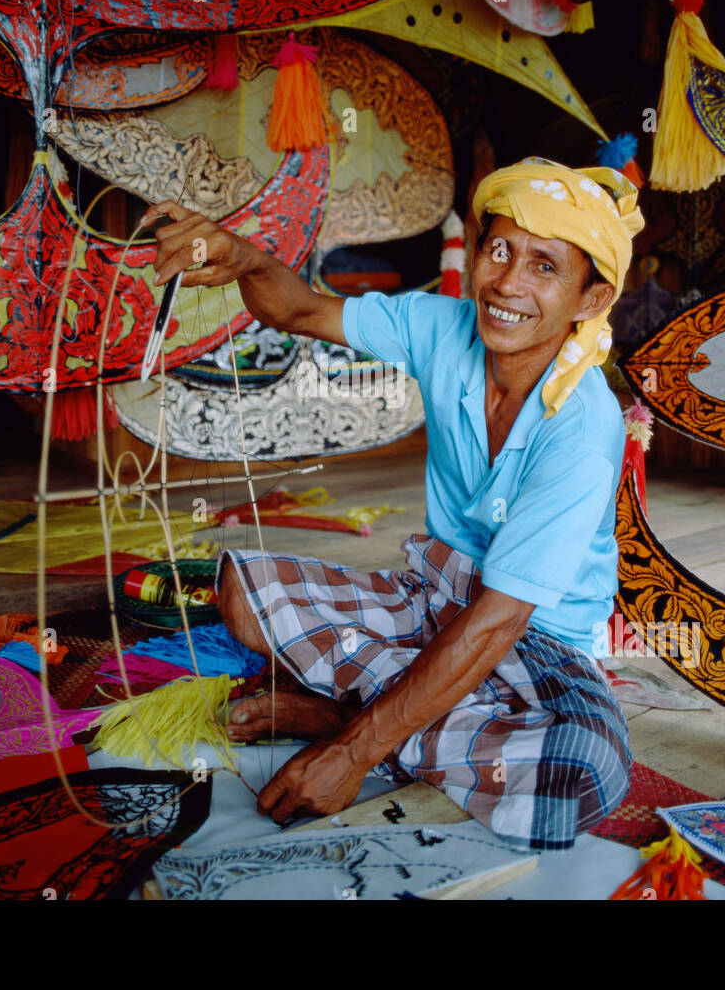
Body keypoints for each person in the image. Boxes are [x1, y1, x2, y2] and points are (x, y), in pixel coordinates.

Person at [141, 158, 638, 851]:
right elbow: (299, 308)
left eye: (545, 267)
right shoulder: (442, 325)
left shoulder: (583, 427)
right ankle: (398, 714)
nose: (508, 284)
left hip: (537, 643)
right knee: (243, 593)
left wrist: (353, 753)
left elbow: (498, 622)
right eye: (500, 250)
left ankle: (343, 716)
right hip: (435, 596)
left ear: (590, 299)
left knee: (582, 771)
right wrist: (243, 256)